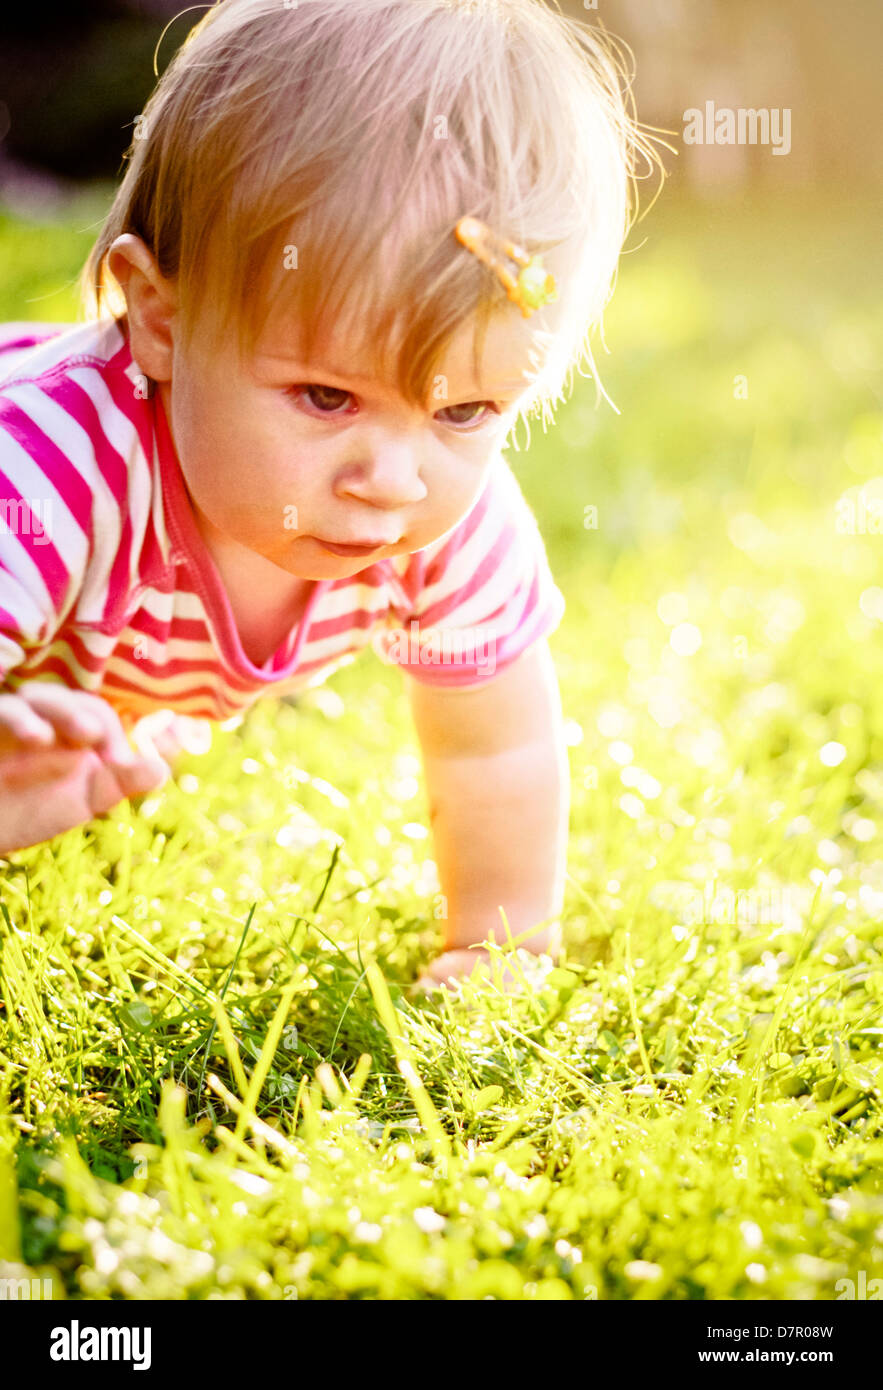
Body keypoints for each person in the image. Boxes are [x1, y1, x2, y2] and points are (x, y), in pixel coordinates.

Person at [0, 0, 653, 987]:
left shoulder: (455, 527)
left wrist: (496, 942)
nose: (392, 480)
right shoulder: (46, 467)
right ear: (160, 321)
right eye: (326, 396)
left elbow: (495, 749)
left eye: (465, 410)